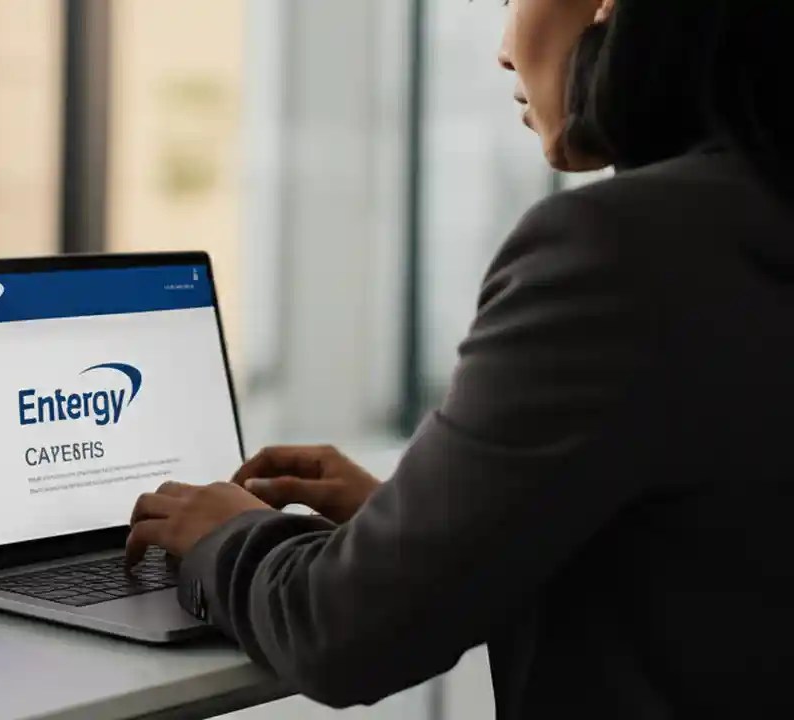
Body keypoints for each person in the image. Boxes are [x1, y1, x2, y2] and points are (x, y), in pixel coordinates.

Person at [126, 1, 794, 717]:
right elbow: (714, 566)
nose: (505, 51)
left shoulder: (619, 251)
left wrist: (225, 535)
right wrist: (420, 525)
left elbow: (347, 632)